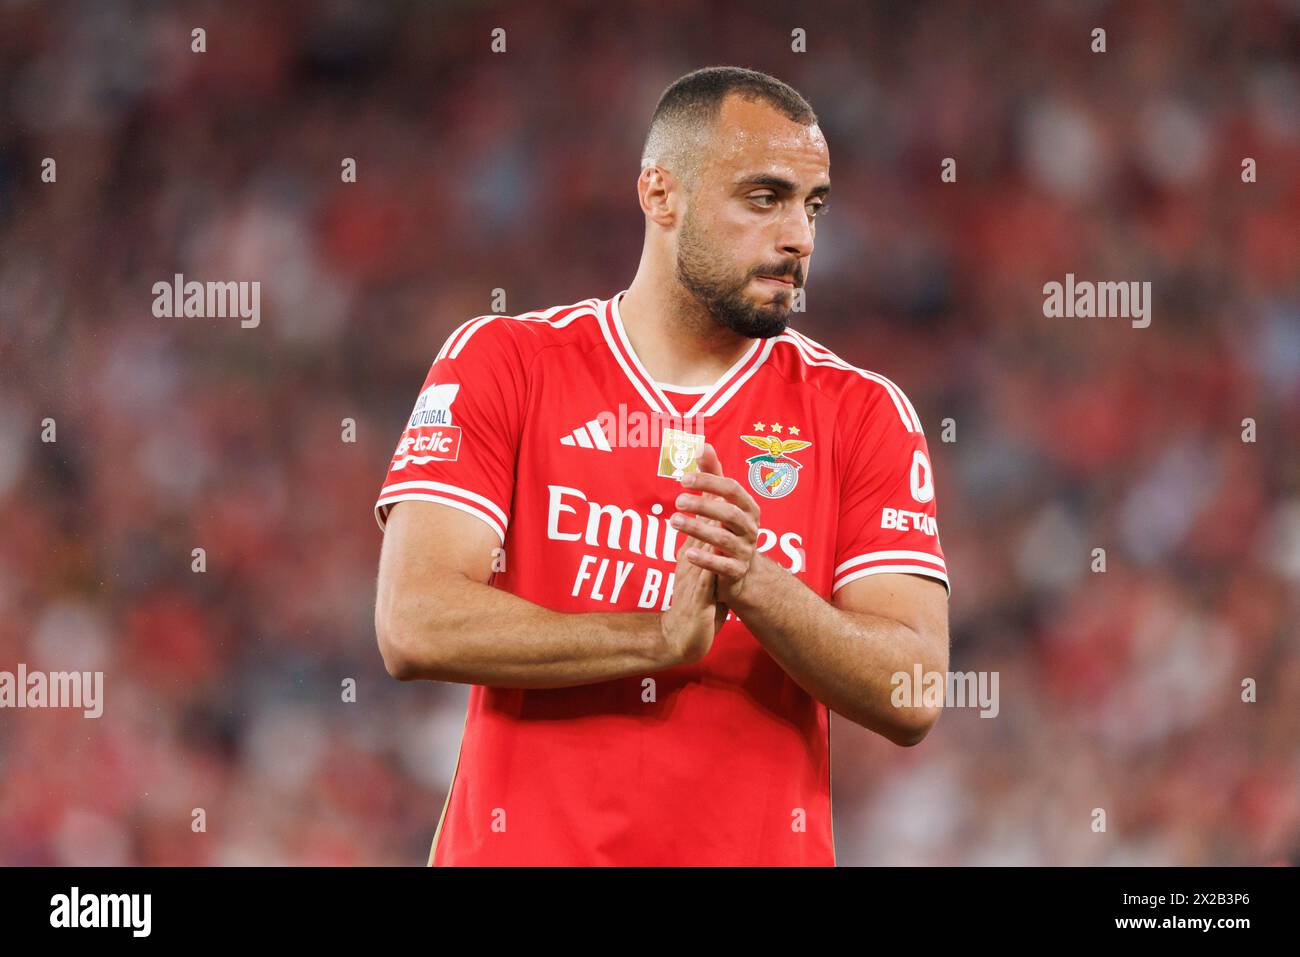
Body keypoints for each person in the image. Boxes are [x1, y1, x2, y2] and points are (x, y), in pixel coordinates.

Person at [372, 65, 950, 866]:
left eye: (813, 205)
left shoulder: (862, 412)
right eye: (764, 197)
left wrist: (752, 579)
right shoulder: (505, 362)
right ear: (660, 193)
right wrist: (657, 638)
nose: (800, 237)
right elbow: (414, 622)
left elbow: (915, 689)